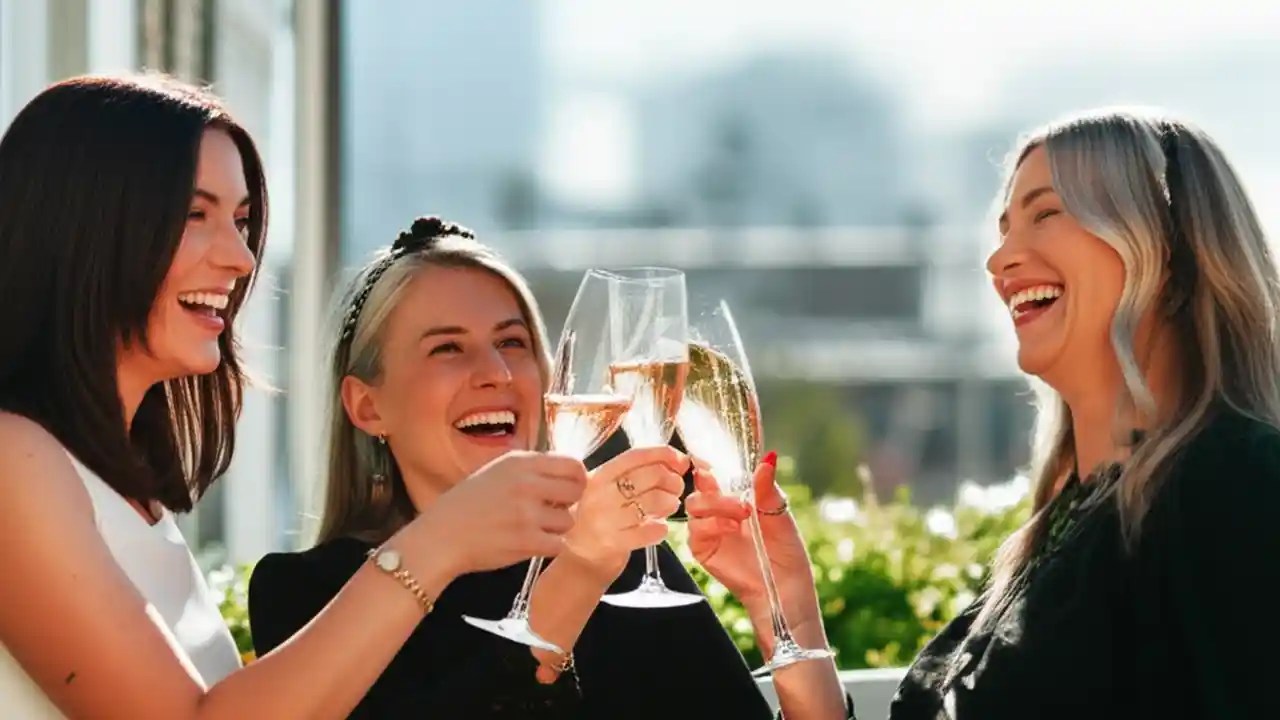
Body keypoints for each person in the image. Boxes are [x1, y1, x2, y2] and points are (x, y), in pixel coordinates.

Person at [0, 75, 586, 719]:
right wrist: (439, 543)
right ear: (83, 229)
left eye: (241, 220)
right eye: (195, 215)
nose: (242, 259)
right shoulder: (12, 460)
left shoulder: (125, 492)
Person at [687, 107, 1280, 719]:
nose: (999, 261)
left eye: (1047, 214)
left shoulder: (1237, 480)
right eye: (1004, 230)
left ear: (1172, 251)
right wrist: (783, 604)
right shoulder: (1064, 528)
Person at [248, 218, 845, 718]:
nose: (497, 373)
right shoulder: (306, 594)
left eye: (512, 343)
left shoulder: (628, 563)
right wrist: (578, 570)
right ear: (367, 406)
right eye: (447, 348)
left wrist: (786, 607)